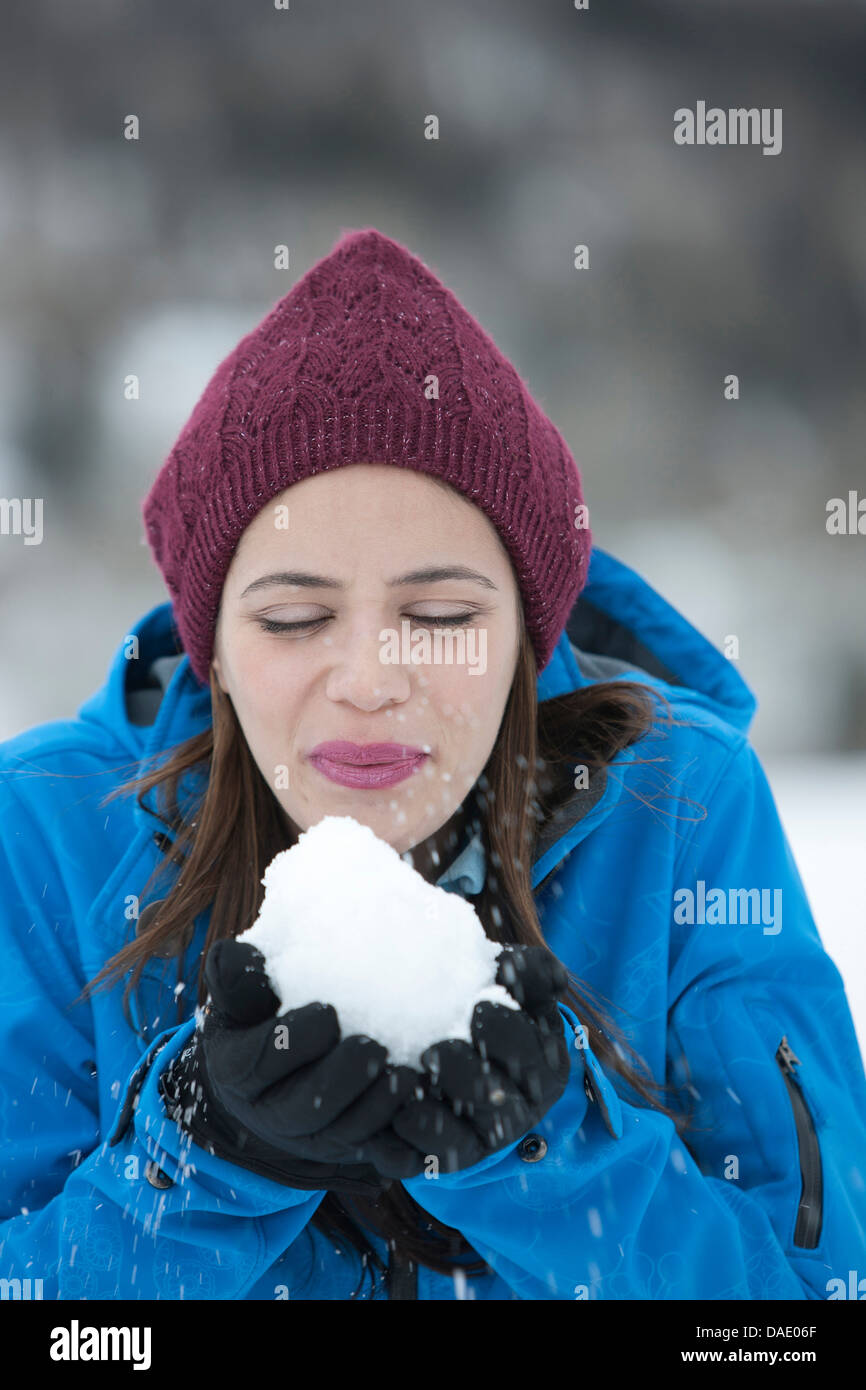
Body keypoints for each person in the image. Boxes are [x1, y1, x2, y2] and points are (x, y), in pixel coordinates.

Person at [1, 228, 864, 1302]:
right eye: (296, 616)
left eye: (442, 613)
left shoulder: (680, 809)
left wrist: (553, 1159)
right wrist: (199, 1160)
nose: (370, 676)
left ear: (527, 640)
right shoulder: (45, 829)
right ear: (212, 647)